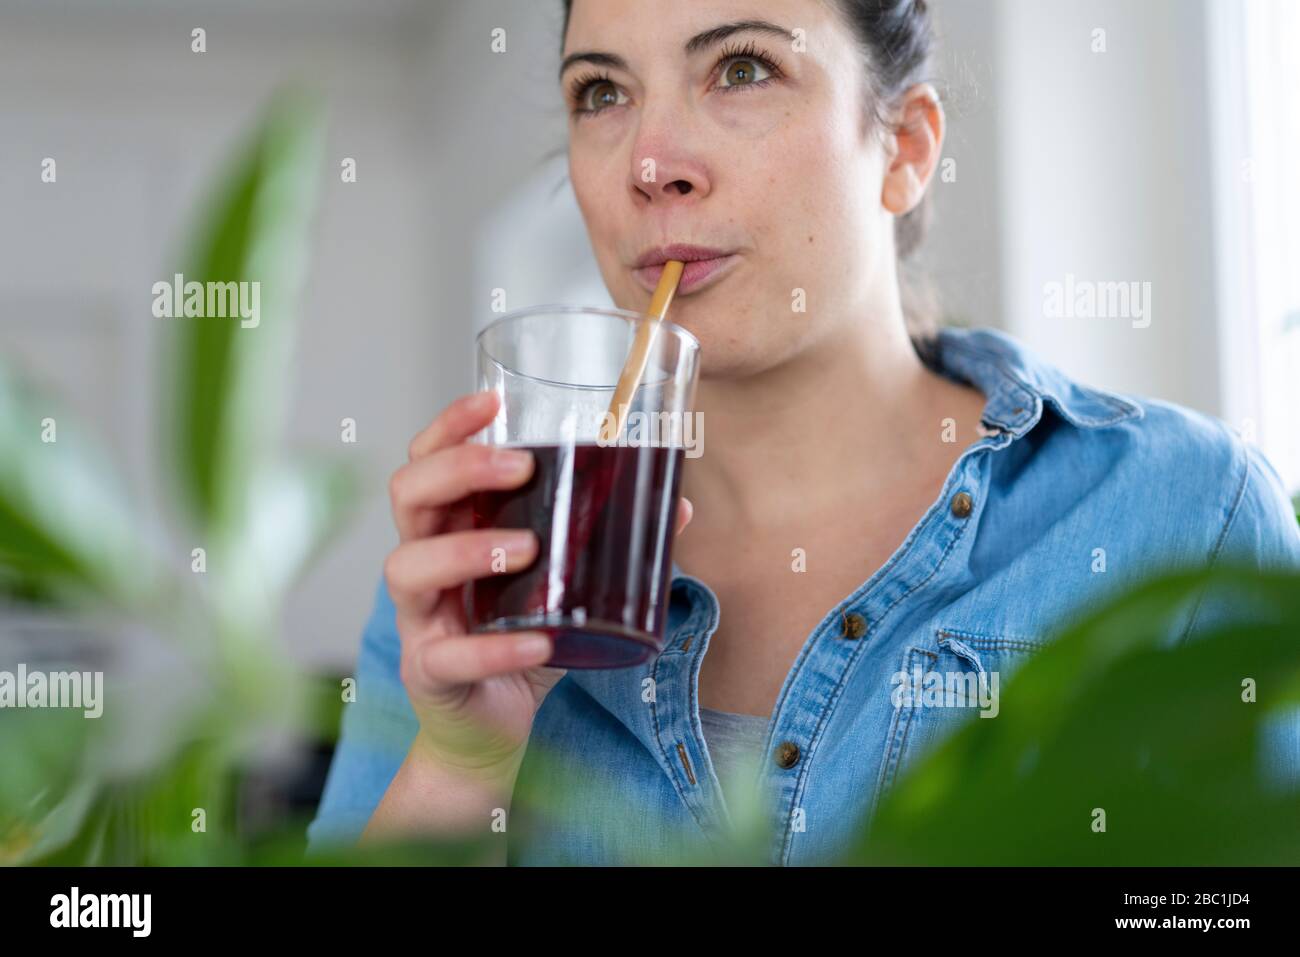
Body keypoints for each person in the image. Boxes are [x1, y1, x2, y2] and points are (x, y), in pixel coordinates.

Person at [307, 0, 1300, 865]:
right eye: (601, 92)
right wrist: (460, 767)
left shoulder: (1182, 516)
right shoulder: (484, 578)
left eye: (741, 68)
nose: (652, 165)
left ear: (903, 147)